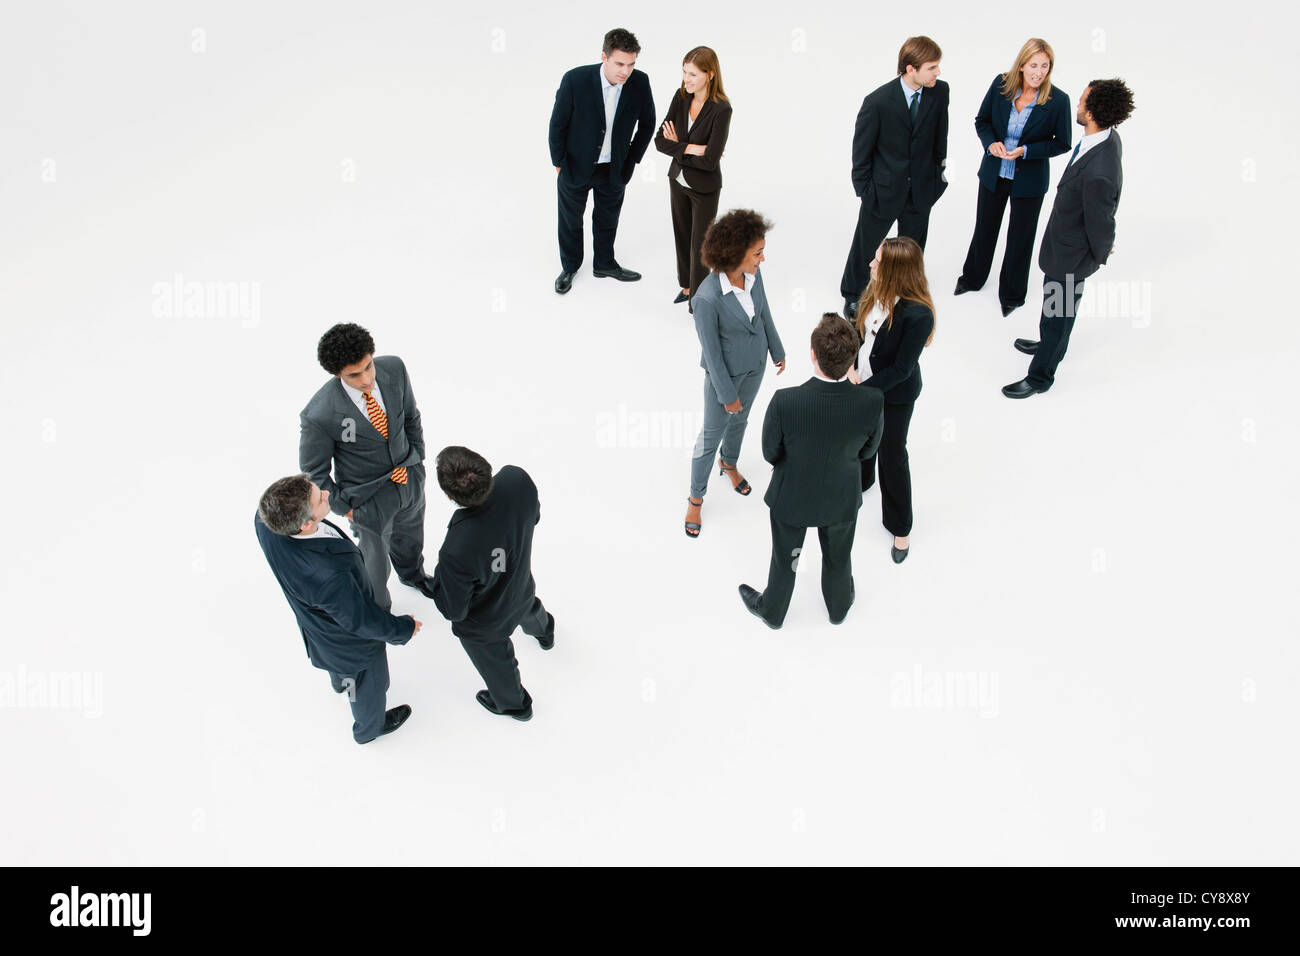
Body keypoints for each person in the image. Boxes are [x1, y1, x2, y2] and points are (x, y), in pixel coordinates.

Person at [739, 314, 885, 628]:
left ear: (813, 354)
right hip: (841, 497)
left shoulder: (785, 402)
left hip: (792, 498)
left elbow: (770, 453)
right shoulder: (872, 401)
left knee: (785, 560)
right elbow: (868, 452)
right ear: (852, 360)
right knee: (838, 558)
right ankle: (839, 607)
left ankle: (773, 611)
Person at [254, 474, 421, 744]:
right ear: (307, 524)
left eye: (315, 489)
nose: (326, 494)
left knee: (340, 668)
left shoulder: (264, 522)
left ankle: (340, 683)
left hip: (320, 630)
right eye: (318, 498)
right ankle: (370, 728)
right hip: (351, 645)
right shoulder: (328, 575)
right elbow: (362, 620)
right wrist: (404, 628)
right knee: (371, 685)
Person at [1003, 78, 1133, 398]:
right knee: (1053, 307)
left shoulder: (1100, 168)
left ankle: (1041, 376)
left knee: (1059, 315)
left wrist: (1100, 252)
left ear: (1091, 113)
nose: (1077, 104)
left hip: (1071, 256)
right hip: (1063, 245)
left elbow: (1101, 219)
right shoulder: (1102, 138)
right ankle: (1047, 343)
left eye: (1082, 101)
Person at [299, 323, 433, 610]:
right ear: (337, 374)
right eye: (354, 375)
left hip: (409, 478)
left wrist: (417, 458)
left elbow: (411, 416)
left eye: (368, 367)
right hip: (368, 500)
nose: (366, 379)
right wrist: (344, 508)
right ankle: (379, 611)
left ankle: (413, 576)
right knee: (374, 567)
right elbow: (315, 473)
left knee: (411, 537)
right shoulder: (319, 414)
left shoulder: (395, 369)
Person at [430, 447, 552, 722]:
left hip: (487, 623)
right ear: (484, 464)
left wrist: (440, 577)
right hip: (520, 585)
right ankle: (546, 633)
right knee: (528, 607)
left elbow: (454, 610)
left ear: (452, 496)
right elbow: (534, 517)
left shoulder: (457, 548)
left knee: (496, 661)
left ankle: (514, 705)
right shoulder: (516, 480)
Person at [684, 209, 786, 538]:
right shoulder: (707, 299)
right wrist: (727, 396)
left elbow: (765, 312)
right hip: (724, 382)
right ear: (735, 254)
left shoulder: (755, 277)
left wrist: (776, 349)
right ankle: (696, 498)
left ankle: (729, 464)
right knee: (710, 437)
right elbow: (712, 356)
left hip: (755, 368)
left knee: (741, 422)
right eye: (757, 252)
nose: (763, 258)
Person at [955, 38, 1072, 317]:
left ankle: (1012, 295)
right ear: (1021, 65)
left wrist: (1027, 150)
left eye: (1045, 66)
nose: (1039, 72)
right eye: (1034, 65)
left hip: (1029, 180)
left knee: (1021, 238)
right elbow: (981, 121)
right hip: (994, 173)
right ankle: (972, 279)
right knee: (984, 229)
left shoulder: (1059, 100)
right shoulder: (1000, 85)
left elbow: (1063, 143)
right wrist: (991, 143)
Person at [840, 36, 949, 319]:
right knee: (865, 245)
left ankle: (907, 293)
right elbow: (861, 152)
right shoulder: (877, 102)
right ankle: (853, 293)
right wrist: (866, 190)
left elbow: (940, 137)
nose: (938, 73)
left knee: (912, 250)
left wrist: (939, 177)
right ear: (911, 69)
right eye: (932, 67)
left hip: (922, 188)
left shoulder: (940, 92)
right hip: (884, 190)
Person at [548, 27, 656, 295]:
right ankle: (570, 266)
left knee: (608, 218)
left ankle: (605, 263)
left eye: (631, 64)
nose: (625, 71)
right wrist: (559, 162)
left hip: (614, 168)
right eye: (620, 63)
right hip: (575, 165)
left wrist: (631, 162)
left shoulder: (639, 82)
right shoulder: (575, 79)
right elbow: (557, 124)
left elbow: (648, 124)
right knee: (571, 220)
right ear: (604, 57)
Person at [848, 237, 936, 563]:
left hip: (894, 395)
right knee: (862, 440)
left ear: (896, 271)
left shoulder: (918, 315)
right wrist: (850, 367)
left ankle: (901, 526)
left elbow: (901, 369)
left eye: (878, 262)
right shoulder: (873, 290)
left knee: (893, 454)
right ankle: (863, 481)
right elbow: (859, 333)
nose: (871, 265)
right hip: (865, 382)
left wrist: (864, 390)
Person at [654, 46, 732, 307]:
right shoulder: (680, 97)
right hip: (677, 180)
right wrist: (691, 147)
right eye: (684, 72)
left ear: (709, 74)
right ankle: (687, 287)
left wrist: (679, 145)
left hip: (704, 188)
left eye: (693, 74)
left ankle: (698, 301)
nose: (686, 79)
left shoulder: (721, 109)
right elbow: (659, 141)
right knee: (682, 235)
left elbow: (711, 161)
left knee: (700, 245)